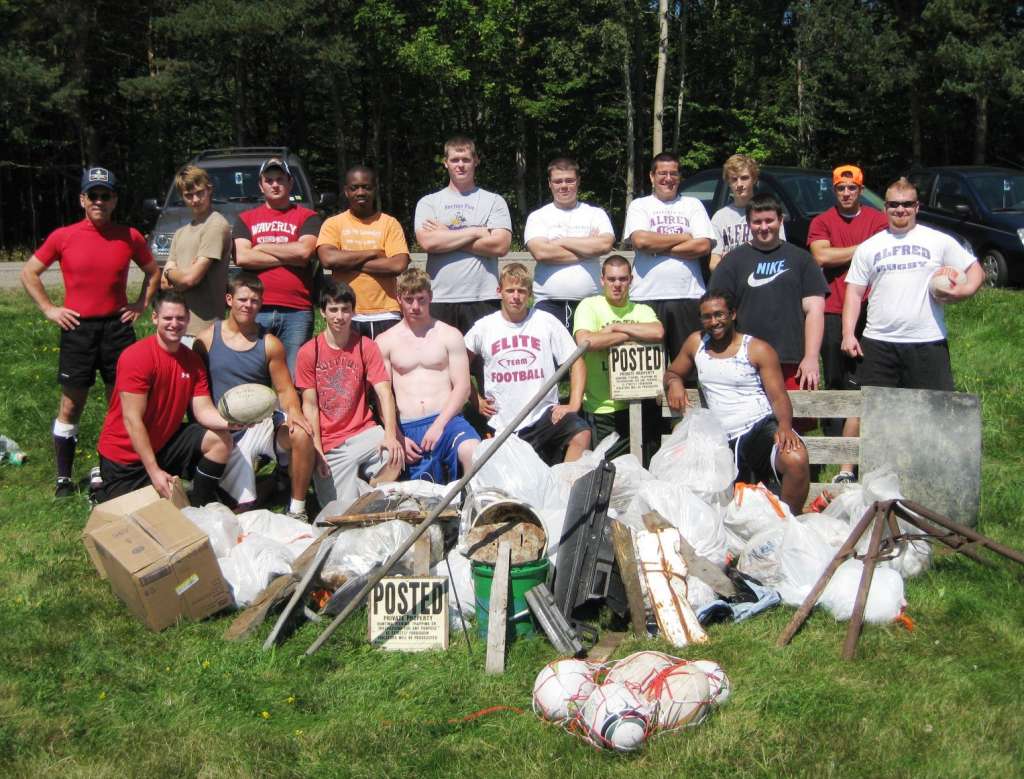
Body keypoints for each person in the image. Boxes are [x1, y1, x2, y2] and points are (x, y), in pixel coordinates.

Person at [20, 166, 161, 498]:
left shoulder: (130, 236)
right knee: (72, 403)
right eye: (93, 195)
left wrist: (140, 304)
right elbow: (29, 273)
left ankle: (112, 469)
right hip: (78, 329)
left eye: (106, 195)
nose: (99, 201)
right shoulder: (64, 236)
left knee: (124, 402)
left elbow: (153, 272)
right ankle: (63, 478)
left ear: (114, 201)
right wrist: (49, 309)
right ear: (83, 199)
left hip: (117, 328)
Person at [664, 290, 810, 515]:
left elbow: (779, 395)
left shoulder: (756, 348)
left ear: (732, 314)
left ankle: (790, 522)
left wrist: (785, 427)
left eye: (719, 314)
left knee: (796, 459)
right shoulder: (696, 343)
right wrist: (674, 382)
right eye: (707, 317)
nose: (714, 322)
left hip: (757, 427)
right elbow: (673, 371)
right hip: (720, 438)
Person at [843, 177, 984, 393]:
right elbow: (853, 293)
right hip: (879, 342)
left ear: (916, 207)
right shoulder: (869, 247)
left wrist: (964, 291)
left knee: (934, 412)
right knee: (879, 416)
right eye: (894, 204)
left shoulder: (938, 240)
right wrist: (848, 334)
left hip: (927, 340)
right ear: (885, 208)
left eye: (907, 204)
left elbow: (975, 270)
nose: (900, 209)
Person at [193, 274, 315, 519]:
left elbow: (284, 390)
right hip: (224, 427)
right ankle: (274, 481)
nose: (248, 305)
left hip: (260, 422)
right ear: (229, 299)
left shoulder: (269, 343)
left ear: (261, 304)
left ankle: (297, 509)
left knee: (301, 433)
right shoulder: (205, 339)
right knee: (238, 512)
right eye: (242, 299)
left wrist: (294, 411)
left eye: (255, 301)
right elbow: (198, 393)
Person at [95, 290, 234, 504]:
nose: (174, 324)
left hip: (164, 442)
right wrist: (154, 471)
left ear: (188, 319)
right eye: (168, 318)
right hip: (125, 455)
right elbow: (132, 421)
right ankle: (101, 487)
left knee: (220, 440)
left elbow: (203, 409)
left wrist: (232, 423)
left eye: (180, 318)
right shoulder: (137, 357)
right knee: (140, 518)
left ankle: (201, 504)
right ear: (155, 318)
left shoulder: (193, 361)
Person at [807, 164, 888, 483]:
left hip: (873, 310)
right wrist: (868, 249)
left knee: (866, 377)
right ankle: (834, 449)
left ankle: (864, 448)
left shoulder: (878, 219)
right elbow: (822, 257)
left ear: (860, 190)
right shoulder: (822, 221)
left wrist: (846, 253)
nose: (846, 193)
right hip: (832, 308)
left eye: (852, 188)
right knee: (835, 378)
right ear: (834, 190)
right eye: (840, 188)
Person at [294, 279, 404, 510]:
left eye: (345, 309)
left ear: (353, 312)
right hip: (330, 441)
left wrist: (391, 436)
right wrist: (317, 450)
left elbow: (384, 392)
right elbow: (310, 405)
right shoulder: (308, 352)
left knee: (395, 460)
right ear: (322, 312)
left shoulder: (366, 346)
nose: (339, 316)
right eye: (333, 309)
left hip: (363, 431)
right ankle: (359, 492)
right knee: (341, 512)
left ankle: (367, 490)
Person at [465, 263, 590, 465]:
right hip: (502, 421)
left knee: (581, 433)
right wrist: (474, 398)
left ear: (530, 294)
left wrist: (574, 404)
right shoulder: (484, 327)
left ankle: (565, 488)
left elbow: (576, 361)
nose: (516, 296)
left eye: (522, 291)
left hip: (544, 416)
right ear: (499, 292)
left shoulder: (545, 321)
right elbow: (458, 363)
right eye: (510, 290)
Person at [709, 193, 828, 392]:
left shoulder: (801, 259)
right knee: (749, 422)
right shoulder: (731, 262)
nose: (764, 227)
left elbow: (815, 310)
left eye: (769, 220)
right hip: (745, 360)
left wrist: (811, 357)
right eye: (757, 222)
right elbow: (716, 313)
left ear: (780, 220)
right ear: (748, 223)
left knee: (794, 422)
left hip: (792, 360)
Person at [376, 268, 481, 483]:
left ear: (430, 297)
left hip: (447, 420)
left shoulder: (449, 335)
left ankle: (477, 507)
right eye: (409, 300)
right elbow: (382, 395)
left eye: (421, 299)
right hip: (406, 425)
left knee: (473, 450)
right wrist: (397, 435)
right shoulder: (385, 341)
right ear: (399, 299)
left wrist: (439, 425)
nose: (415, 306)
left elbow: (463, 387)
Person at [414, 136, 512, 335]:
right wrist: (477, 231)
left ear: (476, 161)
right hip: (440, 297)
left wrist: (447, 234)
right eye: (455, 160)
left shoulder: (494, 201)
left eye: (466, 160)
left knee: (483, 365)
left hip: (483, 297)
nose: (460, 165)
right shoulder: (429, 202)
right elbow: (428, 242)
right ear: (445, 162)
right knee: (441, 363)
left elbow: (500, 246)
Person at [234, 157, 322, 375]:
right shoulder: (246, 219)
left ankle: (289, 411)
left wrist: (261, 246)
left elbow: (304, 252)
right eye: (269, 180)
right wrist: (287, 254)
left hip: (297, 311)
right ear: (261, 185)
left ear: (290, 183)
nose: (275, 184)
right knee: (252, 377)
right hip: (255, 308)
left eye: (280, 179)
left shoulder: (307, 216)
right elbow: (243, 257)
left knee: (294, 378)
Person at [622, 152, 715, 359]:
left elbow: (703, 245)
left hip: (688, 295)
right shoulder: (640, 205)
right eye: (662, 173)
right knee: (650, 365)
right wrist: (683, 236)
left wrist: (657, 247)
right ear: (651, 177)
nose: (668, 178)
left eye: (673, 173)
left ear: (679, 177)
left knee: (689, 363)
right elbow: (641, 241)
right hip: (646, 296)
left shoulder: (693, 205)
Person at [573, 255, 665, 464]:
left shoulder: (642, 310)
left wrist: (616, 328)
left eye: (623, 279)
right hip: (603, 408)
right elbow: (586, 341)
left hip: (642, 402)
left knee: (643, 467)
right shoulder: (590, 306)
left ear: (631, 280)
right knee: (609, 471)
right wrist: (632, 335)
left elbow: (657, 332)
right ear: (602, 280)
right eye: (612, 279)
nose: (617, 285)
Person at [316, 165, 411, 339]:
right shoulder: (333, 224)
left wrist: (345, 263)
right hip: (346, 313)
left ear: (374, 190)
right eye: (354, 188)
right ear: (346, 191)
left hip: (387, 313)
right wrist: (373, 253)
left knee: (386, 367)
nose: (360, 192)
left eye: (366, 187)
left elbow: (398, 264)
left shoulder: (389, 223)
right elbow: (328, 259)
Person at [524, 157, 615, 330]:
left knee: (590, 355)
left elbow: (604, 245)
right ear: (550, 184)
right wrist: (588, 247)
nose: (564, 186)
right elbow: (542, 253)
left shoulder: (595, 213)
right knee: (550, 357)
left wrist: (562, 242)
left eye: (569, 180)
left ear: (578, 181)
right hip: (548, 305)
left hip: (590, 303)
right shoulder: (538, 216)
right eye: (558, 181)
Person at [161, 165, 232, 339]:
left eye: (200, 193)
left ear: (209, 190)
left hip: (206, 329)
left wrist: (172, 272)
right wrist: (178, 275)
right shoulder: (180, 233)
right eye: (188, 195)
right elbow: (163, 284)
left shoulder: (216, 225)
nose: (195, 199)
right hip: (178, 327)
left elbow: (190, 279)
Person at [709, 154, 786, 271]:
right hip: (732, 282)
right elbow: (713, 263)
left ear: (754, 179)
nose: (739, 184)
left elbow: (781, 253)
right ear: (728, 182)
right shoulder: (719, 217)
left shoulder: (768, 212)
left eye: (744, 178)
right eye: (734, 179)